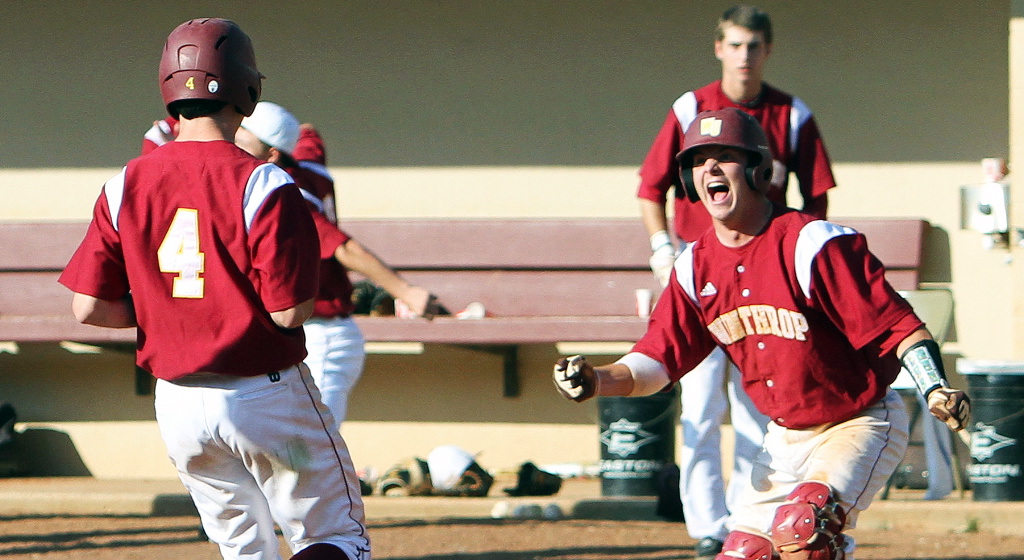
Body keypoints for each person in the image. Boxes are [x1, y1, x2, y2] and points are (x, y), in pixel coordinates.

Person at [555, 108, 971, 560]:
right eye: (698, 161)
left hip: (857, 420)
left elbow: (896, 324)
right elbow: (656, 360)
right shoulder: (694, 266)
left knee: (805, 529)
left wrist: (934, 385)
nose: (709, 168)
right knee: (744, 553)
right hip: (783, 437)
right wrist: (596, 379)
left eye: (724, 156)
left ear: (759, 169)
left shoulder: (811, 243)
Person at [58, 18, 370, 560]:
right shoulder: (265, 180)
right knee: (331, 538)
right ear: (246, 91)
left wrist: (173, 310)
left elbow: (88, 307)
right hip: (266, 401)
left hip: (178, 405)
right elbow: (291, 311)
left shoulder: (123, 182)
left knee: (243, 550)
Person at [635, 6, 837, 557]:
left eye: (754, 46)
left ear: (767, 51)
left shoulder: (791, 114)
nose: (745, 56)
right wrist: (661, 250)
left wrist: (803, 266)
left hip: (769, 277)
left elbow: (816, 200)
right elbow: (652, 187)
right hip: (702, 279)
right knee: (700, 407)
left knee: (760, 403)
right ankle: (706, 525)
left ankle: (755, 518)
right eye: (735, 45)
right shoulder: (689, 107)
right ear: (719, 48)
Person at [233, 100, 440, 429]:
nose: (234, 136)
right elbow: (310, 138)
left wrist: (406, 291)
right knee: (294, 445)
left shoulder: (288, 191)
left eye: (244, 133)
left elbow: (344, 248)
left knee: (311, 446)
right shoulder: (308, 169)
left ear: (272, 154)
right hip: (305, 335)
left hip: (323, 336)